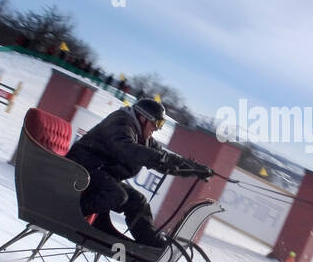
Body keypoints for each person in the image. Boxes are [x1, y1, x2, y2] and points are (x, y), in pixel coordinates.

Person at [65, 99, 212, 247]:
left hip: (101, 174)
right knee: (116, 195)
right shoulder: (120, 122)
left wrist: (193, 169)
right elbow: (129, 150)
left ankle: (151, 245)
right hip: (83, 168)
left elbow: (161, 156)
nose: (157, 128)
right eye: (157, 123)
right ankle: (70, 213)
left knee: (137, 201)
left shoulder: (142, 135)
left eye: (161, 125)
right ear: (143, 118)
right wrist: (160, 159)